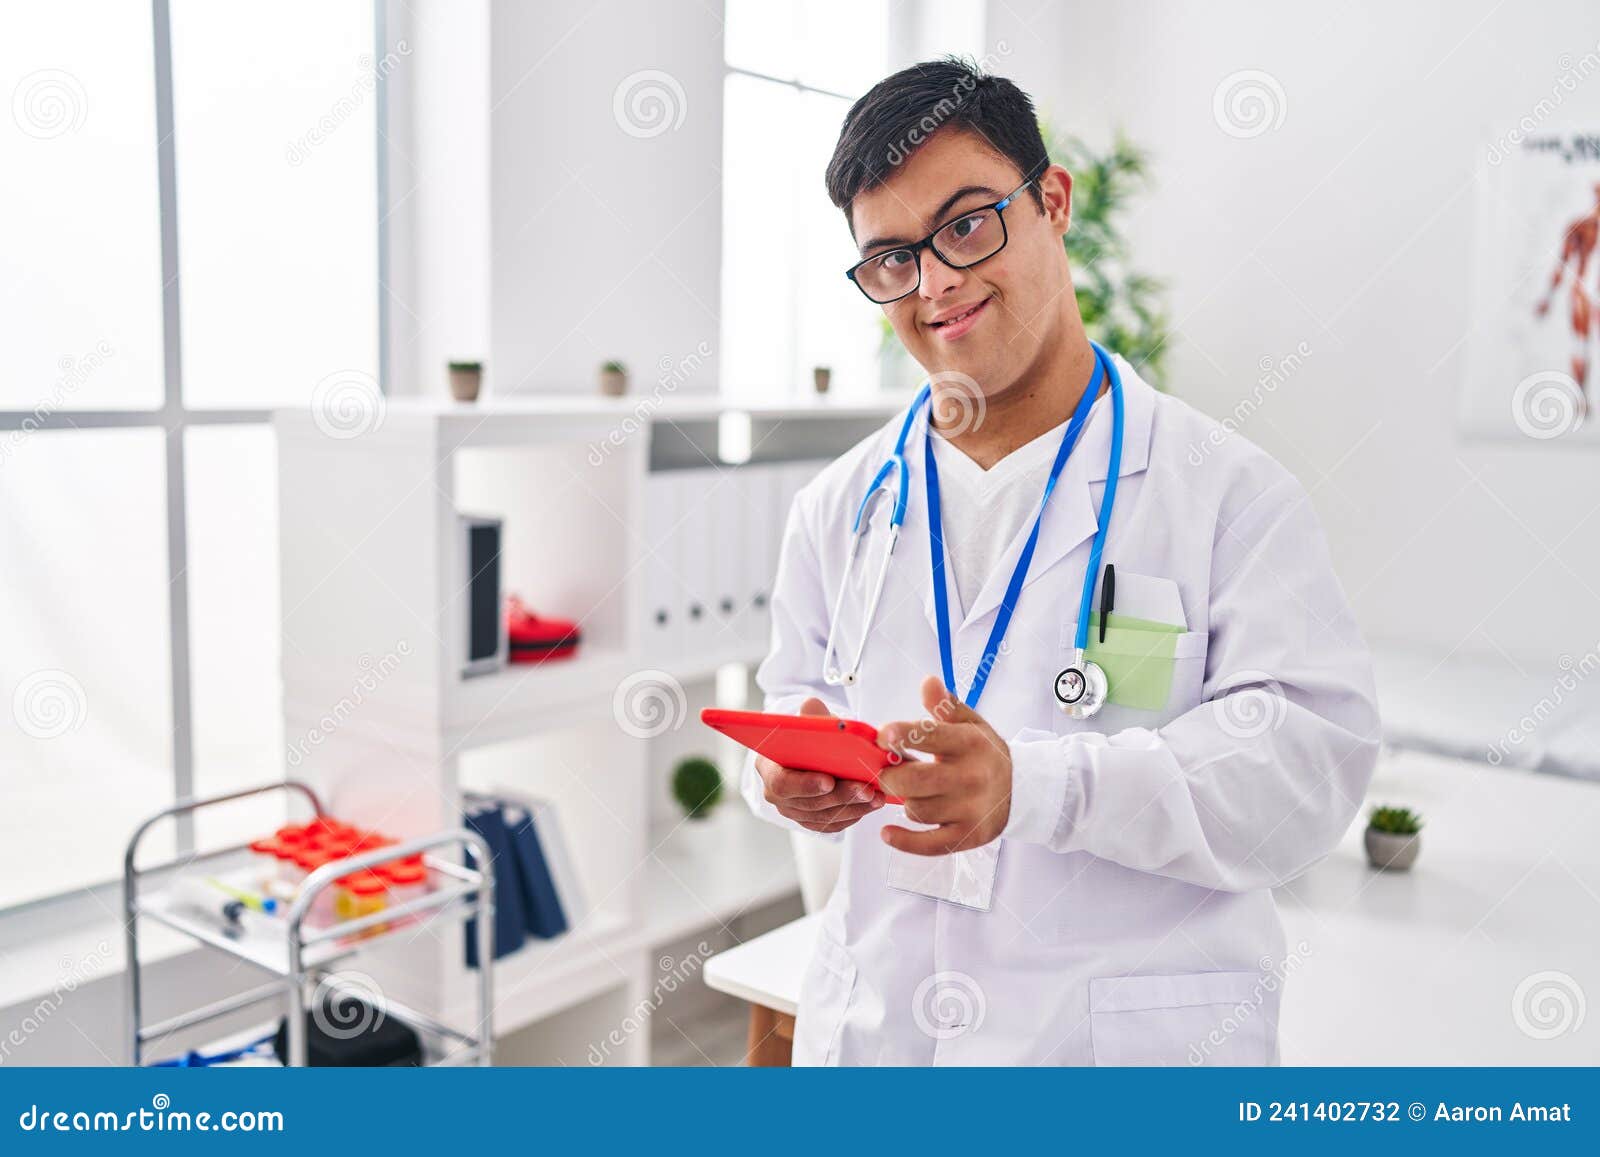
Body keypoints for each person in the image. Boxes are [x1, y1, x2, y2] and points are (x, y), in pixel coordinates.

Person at [739, 59, 1380, 1066]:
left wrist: (1036, 785)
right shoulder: (838, 506)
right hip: (878, 1042)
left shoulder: (1226, 492)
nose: (936, 282)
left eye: (964, 225)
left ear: (1052, 201)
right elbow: (793, 703)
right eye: (892, 260)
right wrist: (782, 776)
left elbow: (1303, 775)